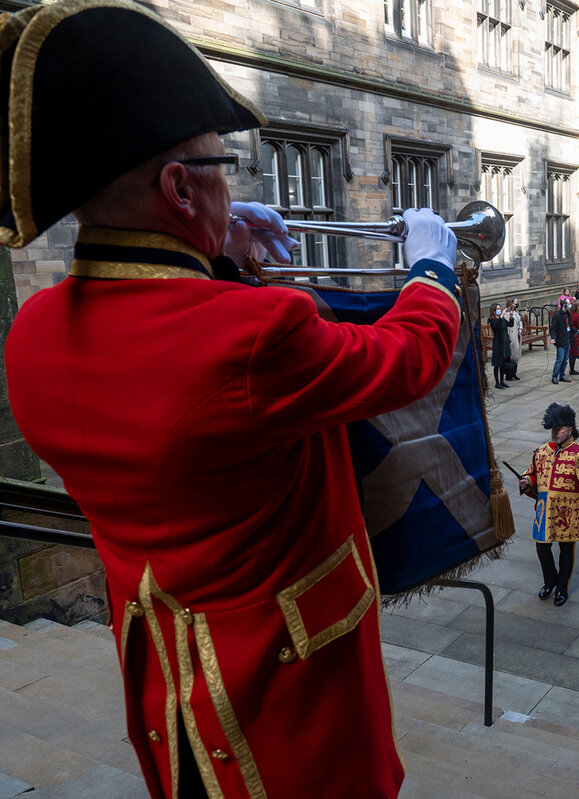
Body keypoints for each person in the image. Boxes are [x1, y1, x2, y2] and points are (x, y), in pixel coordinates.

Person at [1, 3, 463, 796]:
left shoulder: (32, 332)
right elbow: (408, 359)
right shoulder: (255, 335)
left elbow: (167, 362)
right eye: (221, 167)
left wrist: (212, 252)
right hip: (289, 697)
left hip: (167, 685)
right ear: (179, 188)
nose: (231, 181)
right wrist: (432, 268)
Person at [519, 404, 579, 606]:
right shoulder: (541, 452)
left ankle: (562, 587)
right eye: (553, 429)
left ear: (570, 429)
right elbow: (531, 473)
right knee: (542, 548)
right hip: (544, 512)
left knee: (566, 551)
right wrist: (527, 481)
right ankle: (550, 581)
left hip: (570, 514)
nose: (555, 433)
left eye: (559, 429)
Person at [488, 302, 514, 389]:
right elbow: (496, 327)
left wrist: (510, 316)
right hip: (498, 344)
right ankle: (497, 383)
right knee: (497, 364)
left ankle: (502, 381)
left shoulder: (502, 319)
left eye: (499, 308)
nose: (499, 310)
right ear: (494, 311)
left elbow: (510, 324)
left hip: (504, 344)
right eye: (498, 309)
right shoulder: (492, 320)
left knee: (503, 364)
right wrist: (502, 315)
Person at [549, 297, 572, 384]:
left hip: (567, 339)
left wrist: (577, 331)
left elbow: (570, 325)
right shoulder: (557, 315)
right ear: (564, 305)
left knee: (565, 359)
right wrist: (553, 338)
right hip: (561, 340)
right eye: (568, 304)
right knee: (560, 359)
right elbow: (553, 329)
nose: (570, 305)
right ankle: (554, 376)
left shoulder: (567, 314)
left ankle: (562, 375)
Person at [502, 298, 523, 380]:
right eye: (515, 302)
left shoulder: (516, 312)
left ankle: (514, 373)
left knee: (516, 355)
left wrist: (520, 328)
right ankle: (509, 374)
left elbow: (519, 321)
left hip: (517, 336)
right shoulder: (507, 314)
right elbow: (506, 326)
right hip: (511, 337)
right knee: (512, 356)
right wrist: (508, 337)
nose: (516, 304)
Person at [568, 297, 579, 375]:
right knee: (573, 354)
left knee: (571, 353)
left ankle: (571, 369)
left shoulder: (569, 314)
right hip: (575, 336)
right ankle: (572, 370)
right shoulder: (577, 316)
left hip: (570, 335)